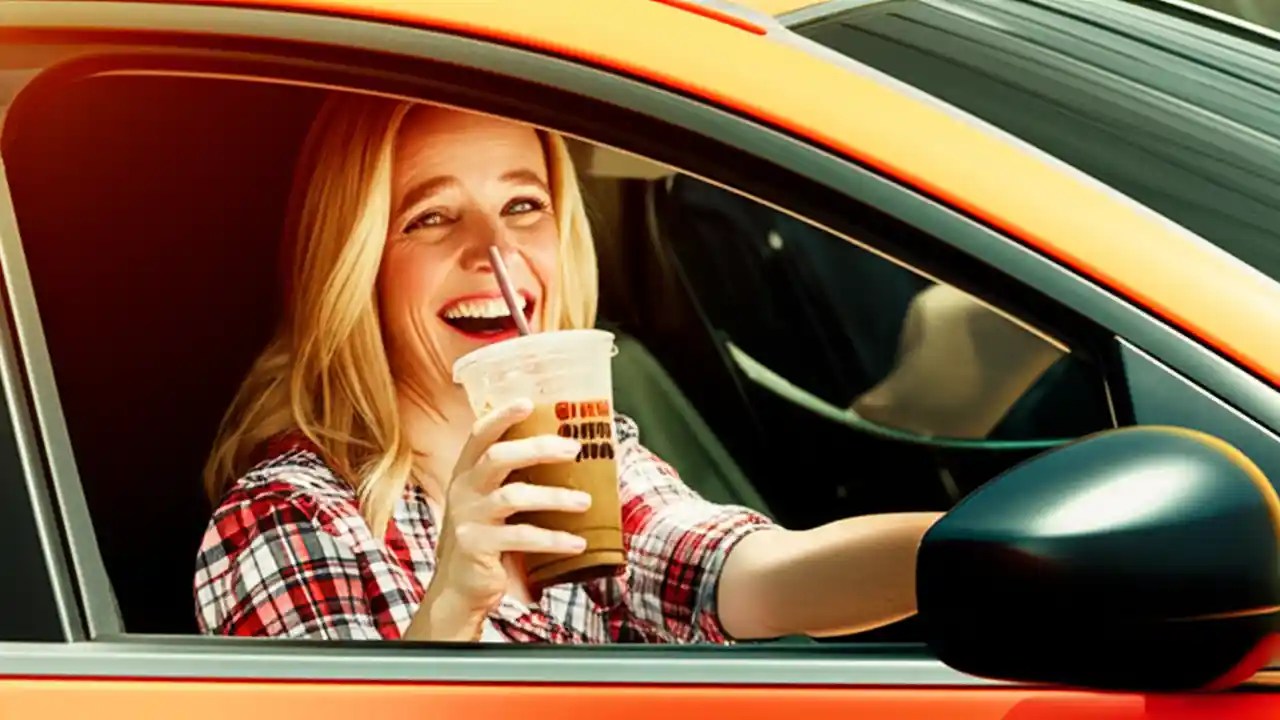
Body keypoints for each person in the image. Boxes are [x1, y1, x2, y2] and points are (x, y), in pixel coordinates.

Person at [193, 91, 941, 643]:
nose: (496, 251)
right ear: (356, 265)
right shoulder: (289, 517)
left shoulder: (579, 450)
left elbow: (765, 576)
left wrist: (974, 552)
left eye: (523, 205)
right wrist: (450, 609)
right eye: (431, 217)